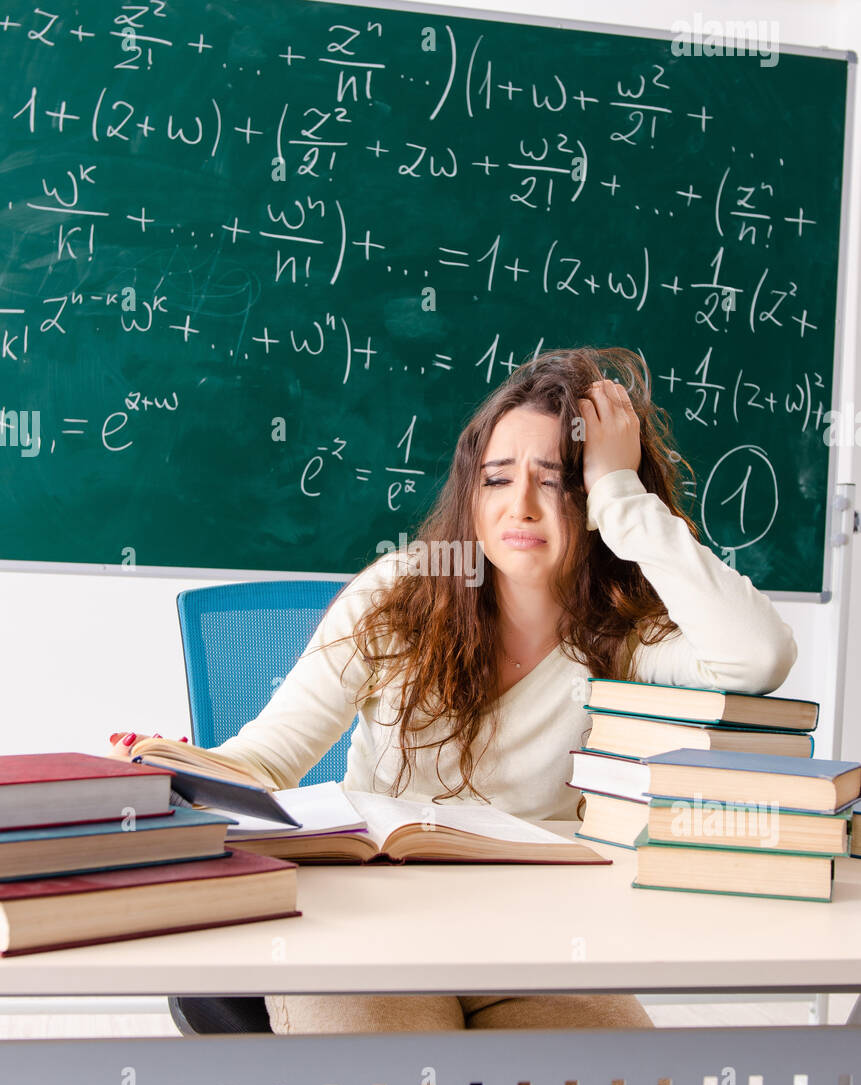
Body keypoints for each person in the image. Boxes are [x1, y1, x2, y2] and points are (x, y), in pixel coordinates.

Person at [110, 346, 797, 1034]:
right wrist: (171, 768)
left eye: (555, 480)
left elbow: (756, 659)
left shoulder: (627, 638)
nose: (519, 507)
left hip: (535, 942)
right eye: (496, 480)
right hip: (368, 929)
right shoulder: (399, 596)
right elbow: (264, 760)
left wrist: (622, 495)